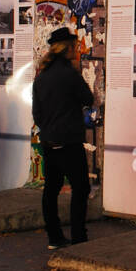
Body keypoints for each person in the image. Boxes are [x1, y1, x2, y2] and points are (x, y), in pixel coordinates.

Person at [32, 27, 94, 250]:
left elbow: (37, 114)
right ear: (67, 48)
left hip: (49, 142)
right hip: (69, 142)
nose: (77, 51)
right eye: (75, 47)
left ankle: (54, 237)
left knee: (51, 189)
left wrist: (49, 130)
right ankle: (78, 235)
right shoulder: (70, 75)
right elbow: (88, 98)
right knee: (81, 187)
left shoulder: (42, 77)